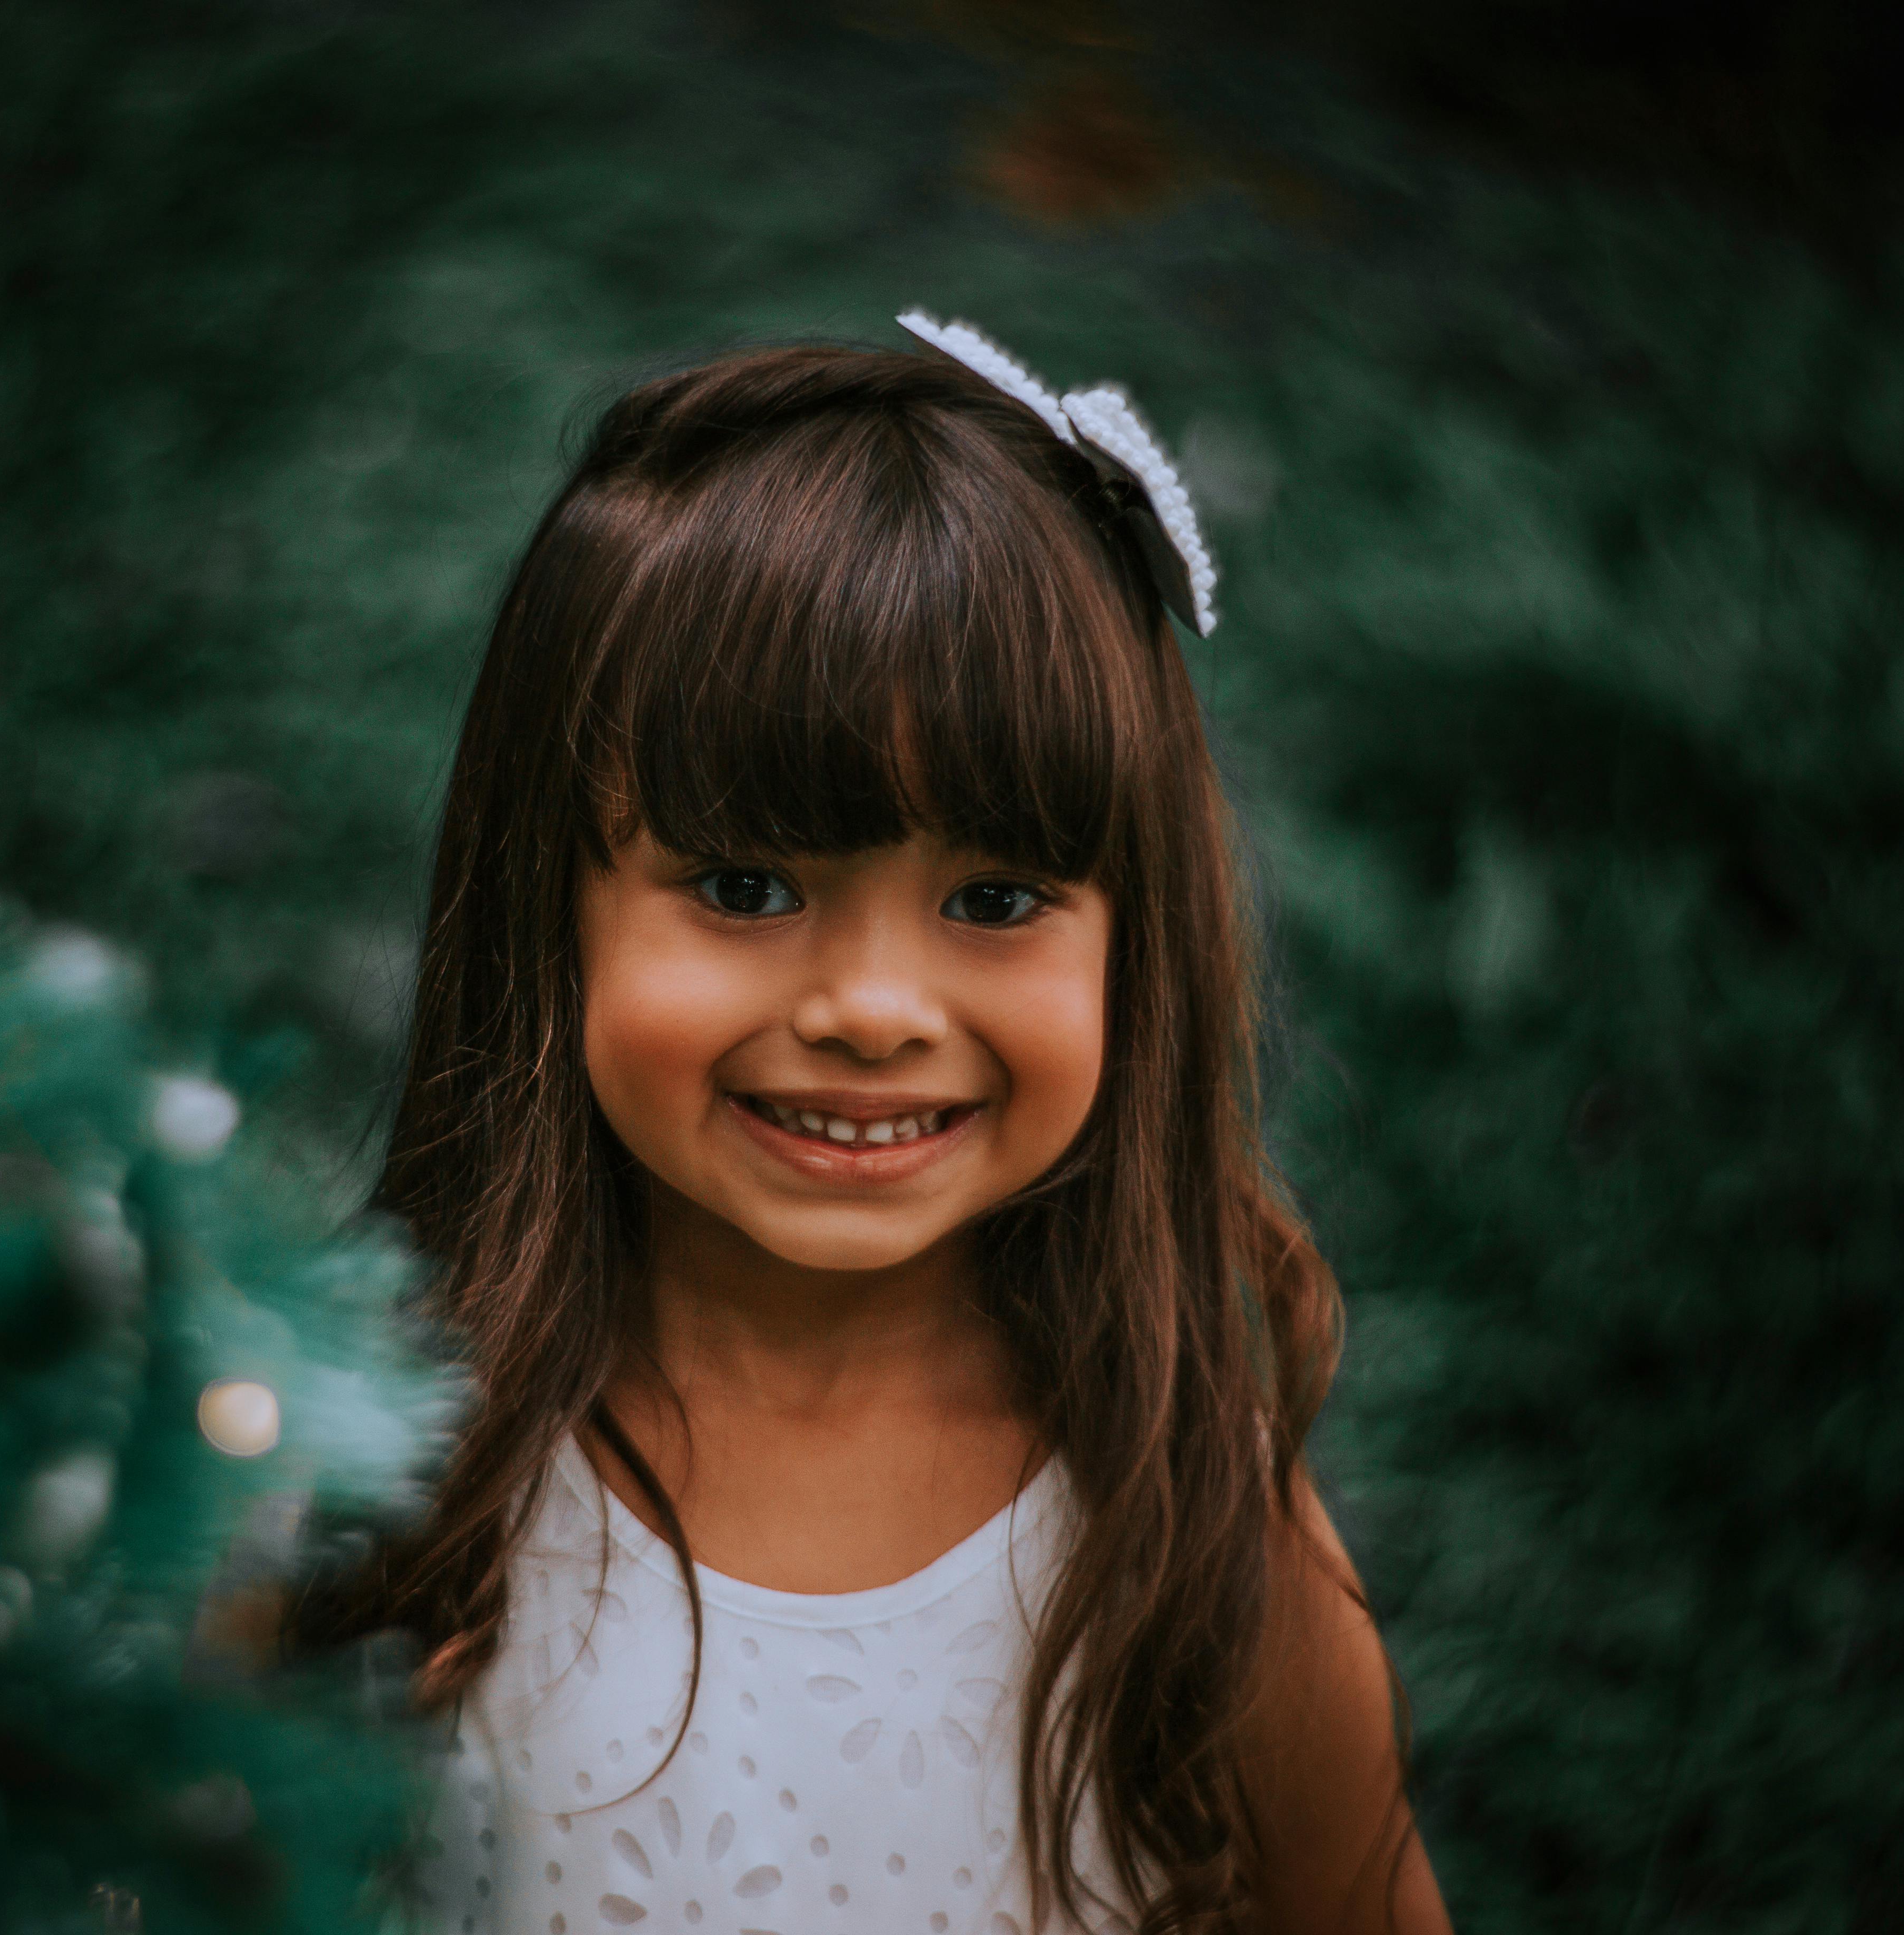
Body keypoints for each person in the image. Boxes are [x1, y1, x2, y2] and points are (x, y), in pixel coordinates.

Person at [306, 319, 1452, 1935]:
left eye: (995, 900)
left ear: (1137, 941)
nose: (872, 1008)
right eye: (746, 886)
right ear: (544, 902)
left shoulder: (1191, 1526)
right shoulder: (374, 1480)